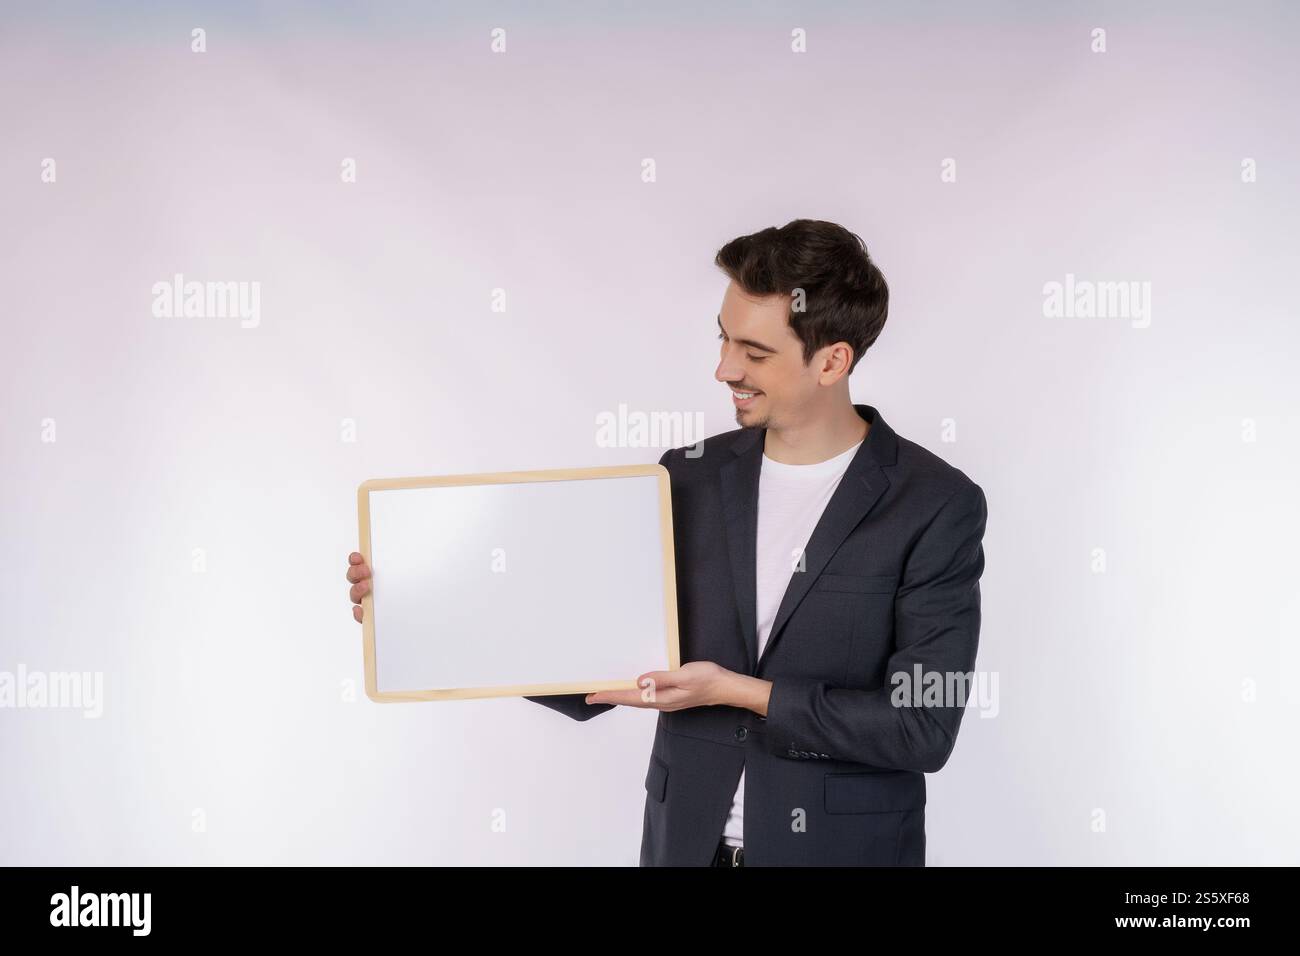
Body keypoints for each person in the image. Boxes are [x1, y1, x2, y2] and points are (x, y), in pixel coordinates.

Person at [346, 219, 988, 866]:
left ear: (832, 360)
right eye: (723, 339)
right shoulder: (688, 474)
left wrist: (736, 691)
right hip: (684, 844)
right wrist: (430, 610)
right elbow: (594, 653)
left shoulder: (934, 505)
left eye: (755, 352)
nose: (724, 368)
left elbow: (919, 728)